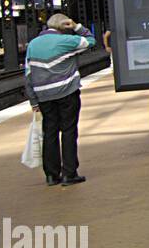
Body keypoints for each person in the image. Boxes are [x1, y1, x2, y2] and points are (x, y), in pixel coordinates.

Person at [23, 13, 95, 187]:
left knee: (50, 132)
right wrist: (77, 26)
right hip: (67, 92)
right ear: (65, 27)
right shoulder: (67, 42)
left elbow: (28, 74)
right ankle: (69, 174)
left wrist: (33, 101)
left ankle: (51, 175)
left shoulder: (33, 44)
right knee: (69, 131)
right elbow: (90, 40)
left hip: (43, 97)